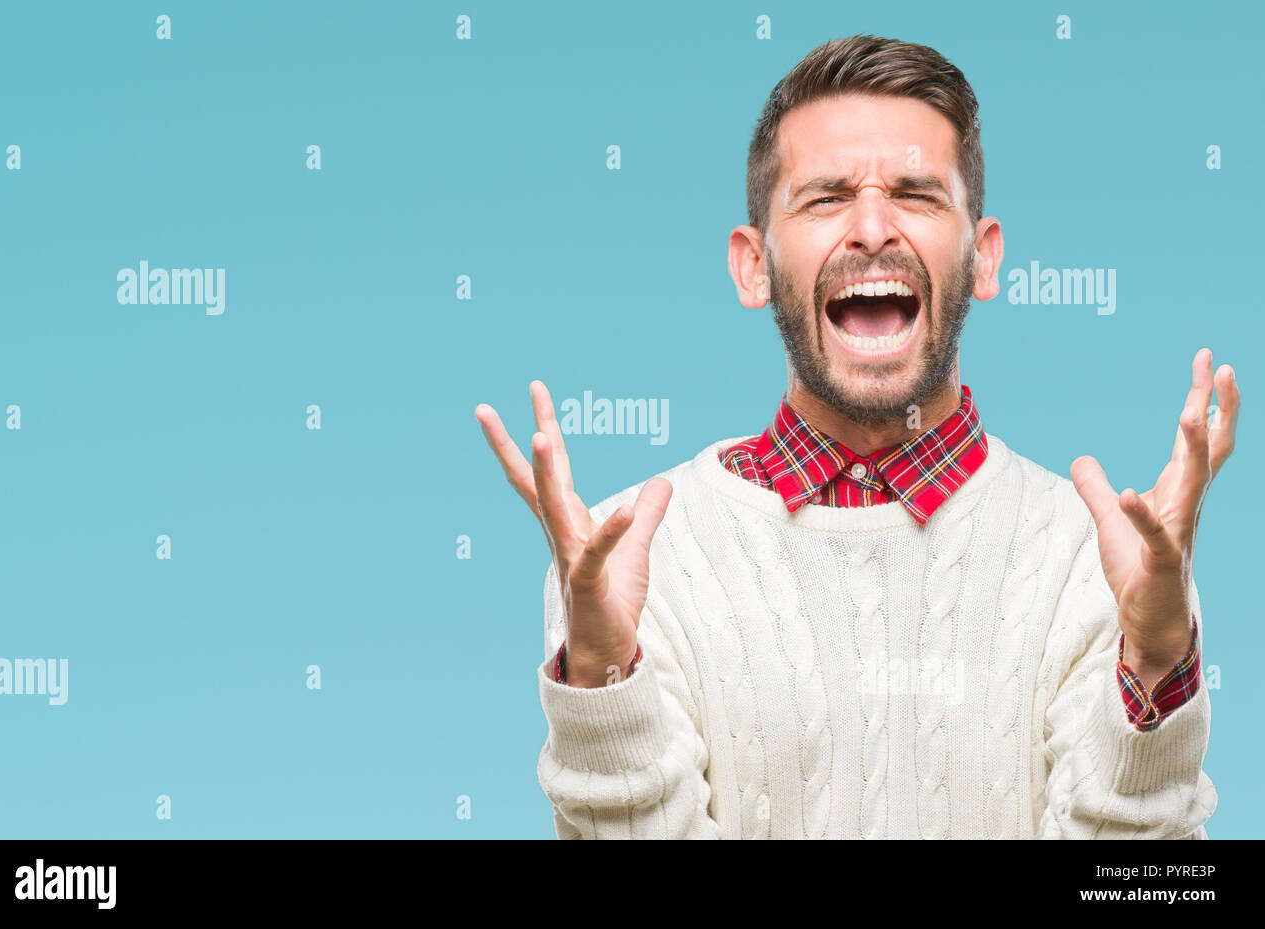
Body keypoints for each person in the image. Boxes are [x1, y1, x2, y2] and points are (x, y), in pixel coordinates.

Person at [475, 34, 1238, 839]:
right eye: (825, 197)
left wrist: (1155, 663)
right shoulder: (627, 560)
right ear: (754, 266)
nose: (872, 228)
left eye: (915, 193)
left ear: (982, 258)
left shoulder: (1103, 562)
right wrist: (600, 682)